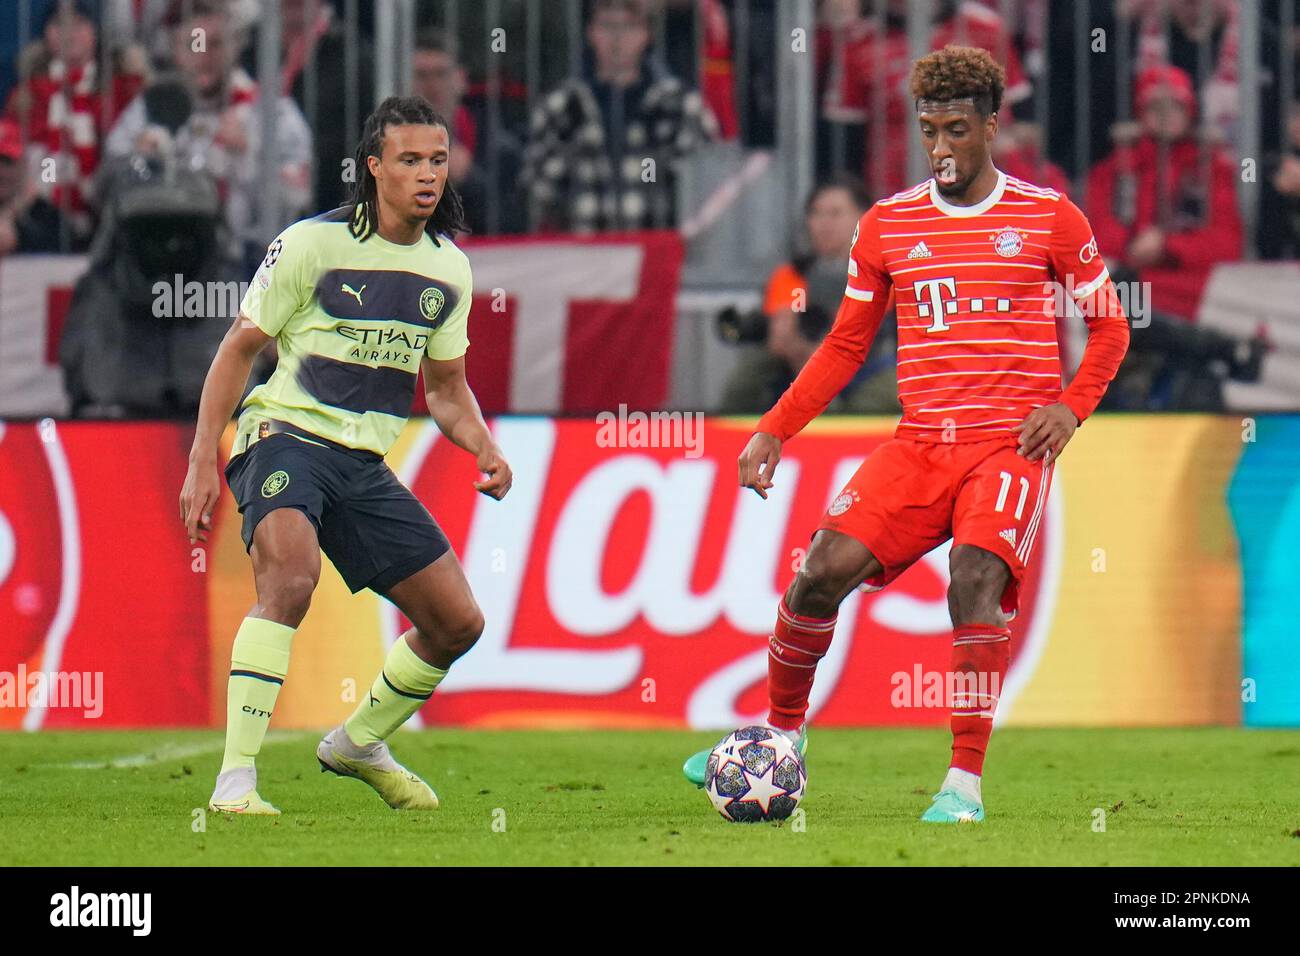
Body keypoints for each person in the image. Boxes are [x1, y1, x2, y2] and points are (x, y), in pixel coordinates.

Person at [681, 46, 1131, 823]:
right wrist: (775, 429)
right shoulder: (888, 224)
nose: (941, 147)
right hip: (919, 442)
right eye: (929, 130)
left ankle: (963, 785)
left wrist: (1071, 405)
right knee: (818, 573)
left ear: (993, 125)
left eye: (958, 129)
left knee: (974, 580)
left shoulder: (1051, 218)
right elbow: (846, 346)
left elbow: (1112, 327)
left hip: (1009, 446)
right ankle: (780, 741)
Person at [179, 95, 513, 815]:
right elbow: (238, 349)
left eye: (437, 160)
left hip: (361, 465)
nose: (428, 175)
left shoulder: (448, 271)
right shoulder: (311, 245)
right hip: (284, 438)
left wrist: (483, 444)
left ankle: (358, 741)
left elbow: (447, 391)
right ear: (373, 168)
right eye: (409, 161)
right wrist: (205, 455)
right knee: (291, 581)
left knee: (459, 623)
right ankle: (235, 782)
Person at [105, 0, 312, 268]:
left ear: (235, 46)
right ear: (175, 51)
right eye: (193, 45)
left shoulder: (273, 112)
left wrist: (250, 152)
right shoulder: (151, 108)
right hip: (163, 265)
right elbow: (106, 184)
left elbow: (297, 199)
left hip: (251, 268)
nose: (204, 57)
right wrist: (140, 161)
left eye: (215, 44)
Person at [520, 0, 717, 233]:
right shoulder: (561, 106)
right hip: (580, 252)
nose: (617, 38)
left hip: (660, 253)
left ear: (647, 34)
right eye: (607, 26)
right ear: (590, 33)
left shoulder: (680, 107)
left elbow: (707, 184)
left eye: (629, 26)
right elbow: (534, 188)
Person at [720, 175, 899, 415]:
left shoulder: (883, 272)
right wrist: (793, 339)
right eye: (816, 214)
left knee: (874, 400)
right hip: (803, 362)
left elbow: (857, 331)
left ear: (862, 217)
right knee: (748, 379)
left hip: (871, 366)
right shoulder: (794, 274)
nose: (824, 224)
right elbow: (789, 316)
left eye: (835, 213)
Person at [1086, 64, 1242, 322]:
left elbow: (1227, 241)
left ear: (1189, 111)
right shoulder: (1112, 169)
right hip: (1125, 288)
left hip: (1189, 293)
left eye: (1176, 107)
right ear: (1141, 112)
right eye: (1156, 107)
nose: (1166, 115)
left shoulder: (1214, 170)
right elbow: (1091, 229)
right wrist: (1133, 246)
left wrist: (1167, 248)